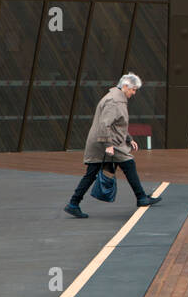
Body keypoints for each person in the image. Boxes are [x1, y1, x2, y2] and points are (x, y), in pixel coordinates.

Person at [64, 73, 160, 217]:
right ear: (125, 86)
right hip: (107, 143)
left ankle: (73, 203)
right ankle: (141, 197)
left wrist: (128, 139)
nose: (134, 93)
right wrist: (108, 144)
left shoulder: (117, 99)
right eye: (133, 89)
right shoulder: (114, 101)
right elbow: (105, 124)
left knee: (92, 173)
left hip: (107, 142)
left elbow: (118, 125)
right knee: (128, 164)